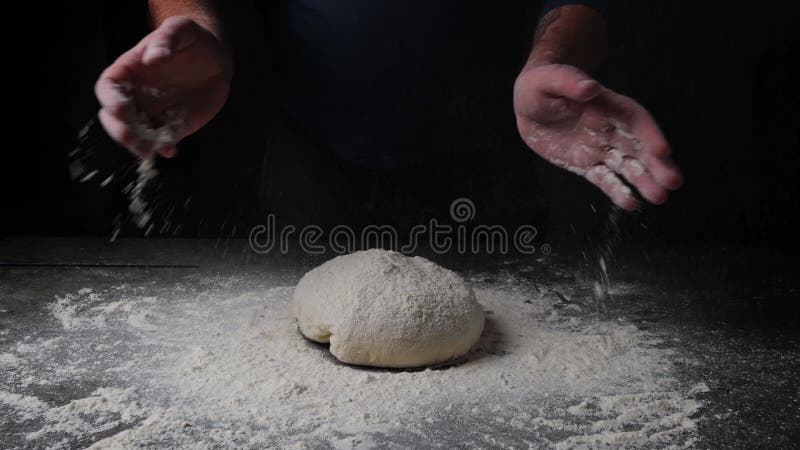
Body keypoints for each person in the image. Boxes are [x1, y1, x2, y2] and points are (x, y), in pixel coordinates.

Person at [95, 1, 683, 233]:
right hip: (310, 146)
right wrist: (198, 30)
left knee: (512, 327)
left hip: (496, 147)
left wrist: (554, 59)